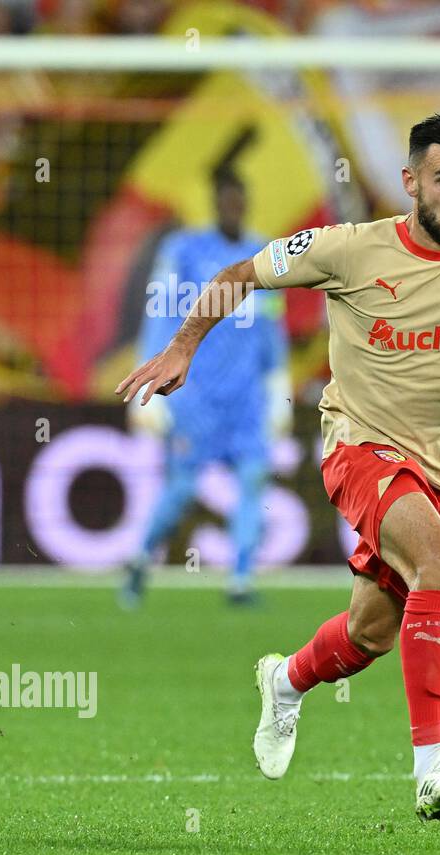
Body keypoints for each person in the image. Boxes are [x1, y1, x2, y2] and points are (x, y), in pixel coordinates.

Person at [116, 113, 440, 821]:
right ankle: (430, 767)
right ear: (410, 181)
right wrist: (183, 349)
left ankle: (286, 682)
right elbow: (241, 273)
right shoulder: (349, 250)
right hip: (358, 446)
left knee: (371, 633)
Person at [120, 168, 289, 608]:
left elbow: (272, 325)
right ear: (216, 203)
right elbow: (158, 316)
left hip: (247, 398)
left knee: (253, 480)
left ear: (245, 203)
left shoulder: (264, 254)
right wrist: (149, 384)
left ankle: (240, 580)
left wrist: (278, 384)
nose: (232, 208)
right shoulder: (184, 252)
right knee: (181, 489)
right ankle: (140, 559)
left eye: (239, 201)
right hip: (195, 396)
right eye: (226, 201)